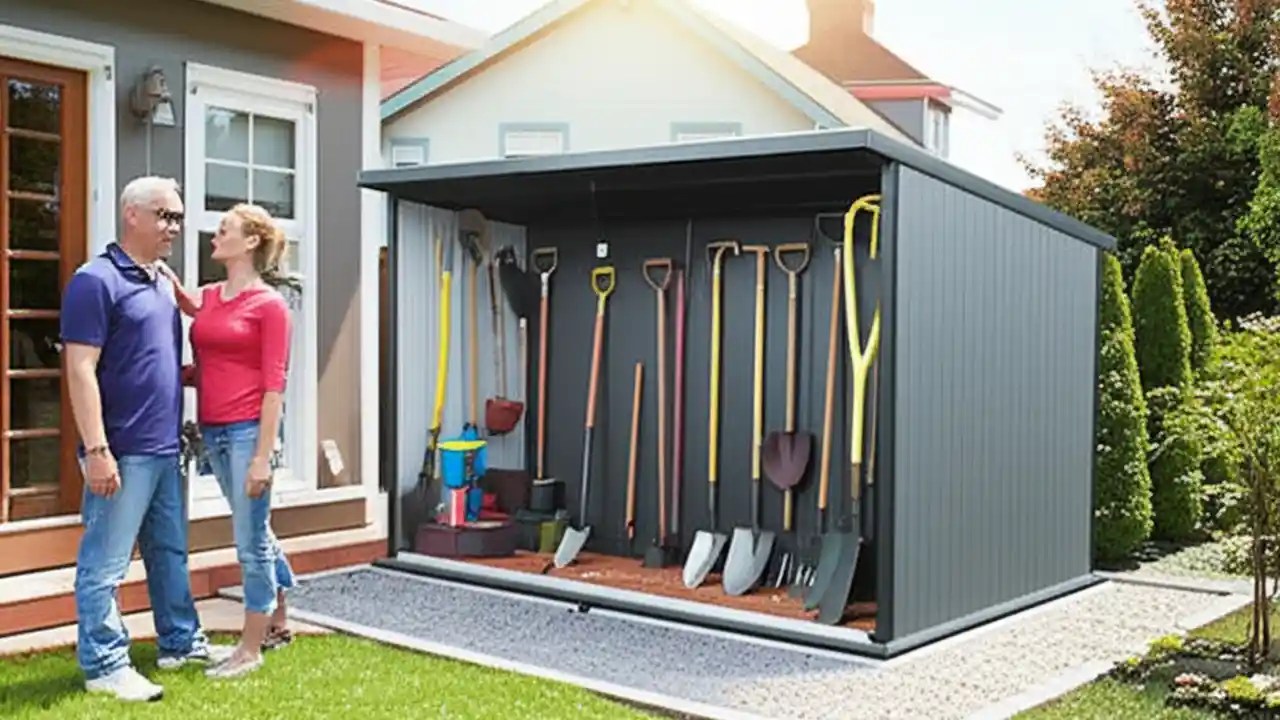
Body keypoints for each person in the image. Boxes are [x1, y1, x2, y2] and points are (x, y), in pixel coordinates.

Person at [61, 176, 231, 703]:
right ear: (131, 215)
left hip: (166, 446)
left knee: (169, 553)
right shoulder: (95, 281)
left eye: (178, 217)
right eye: (165, 216)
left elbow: (154, 357)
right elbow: (80, 369)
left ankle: (180, 642)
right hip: (122, 449)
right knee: (105, 564)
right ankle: (105, 665)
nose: (174, 227)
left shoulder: (160, 282)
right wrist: (97, 450)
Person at [158, 202, 298, 680]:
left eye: (224, 230)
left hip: (248, 432)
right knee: (253, 527)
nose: (214, 236)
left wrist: (263, 456)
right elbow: (199, 340)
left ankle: (250, 648)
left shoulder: (270, 306)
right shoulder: (209, 297)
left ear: (251, 241)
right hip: (212, 431)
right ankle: (279, 618)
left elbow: (274, 385)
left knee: (250, 541)